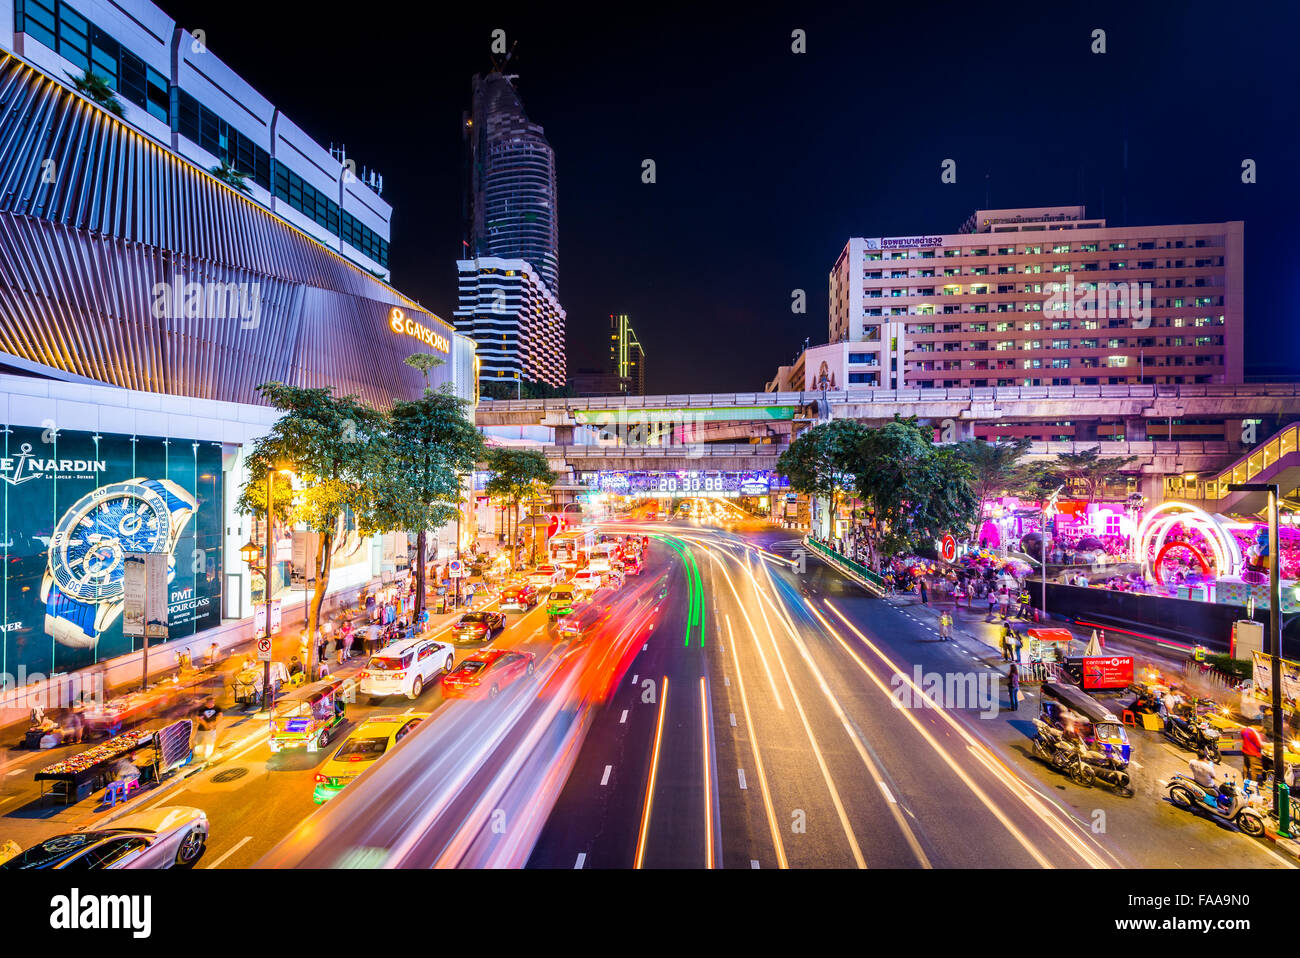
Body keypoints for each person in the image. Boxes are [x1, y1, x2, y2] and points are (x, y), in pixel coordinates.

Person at [193, 695, 221, 763]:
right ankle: (198, 756)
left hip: (212, 730)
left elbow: (220, 716)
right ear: (207, 702)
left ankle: (207, 757)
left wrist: (214, 724)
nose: (211, 704)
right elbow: (199, 718)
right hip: (201, 729)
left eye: (212, 702)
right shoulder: (202, 709)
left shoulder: (217, 708)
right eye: (210, 702)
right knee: (198, 742)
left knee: (210, 743)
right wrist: (206, 725)